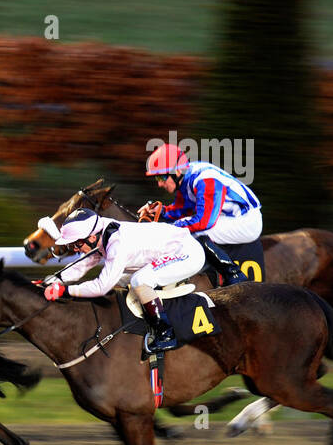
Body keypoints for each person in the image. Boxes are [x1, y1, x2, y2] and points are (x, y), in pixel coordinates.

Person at [44, 208, 205, 352]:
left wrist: (65, 291)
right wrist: (55, 280)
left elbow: (101, 287)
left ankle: (166, 333)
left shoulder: (117, 245)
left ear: (92, 237)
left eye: (77, 244)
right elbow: (84, 264)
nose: (76, 249)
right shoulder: (101, 229)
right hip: (170, 250)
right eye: (72, 246)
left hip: (187, 253)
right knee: (121, 279)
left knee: (139, 280)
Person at [137, 143, 261, 286]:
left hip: (247, 221)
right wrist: (159, 211)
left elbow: (204, 222)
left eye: (161, 178)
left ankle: (235, 276)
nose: (159, 184)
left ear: (176, 172)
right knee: (185, 227)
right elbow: (181, 210)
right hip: (228, 217)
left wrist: (172, 227)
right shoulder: (187, 177)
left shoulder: (205, 180)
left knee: (196, 232)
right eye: (157, 179)